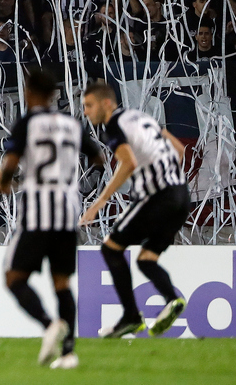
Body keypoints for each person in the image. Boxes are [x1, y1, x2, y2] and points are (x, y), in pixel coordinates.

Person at [0, 68, 101, 369]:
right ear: (54, 95)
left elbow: (11, 162)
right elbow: (98, 158)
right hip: (67, 213)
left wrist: (6, 182)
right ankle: (68, 353)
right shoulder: (72, 124)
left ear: (29, 93)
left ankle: (48, 324)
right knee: (62, 283)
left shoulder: (27, 123)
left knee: (14, 278)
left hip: (37, 213)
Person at [80, 81, 191, 338]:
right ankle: (172, 299)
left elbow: (128, 162)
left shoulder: (114, 124)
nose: (86, 111)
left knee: (110, 249)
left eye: (89, 105)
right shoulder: (142, 118)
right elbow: (179, 149)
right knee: (146, 259)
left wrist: (100, 201)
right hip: (181, 196)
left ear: (107, 103)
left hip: (157, 197)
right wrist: (168, 177)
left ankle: (131, 316)